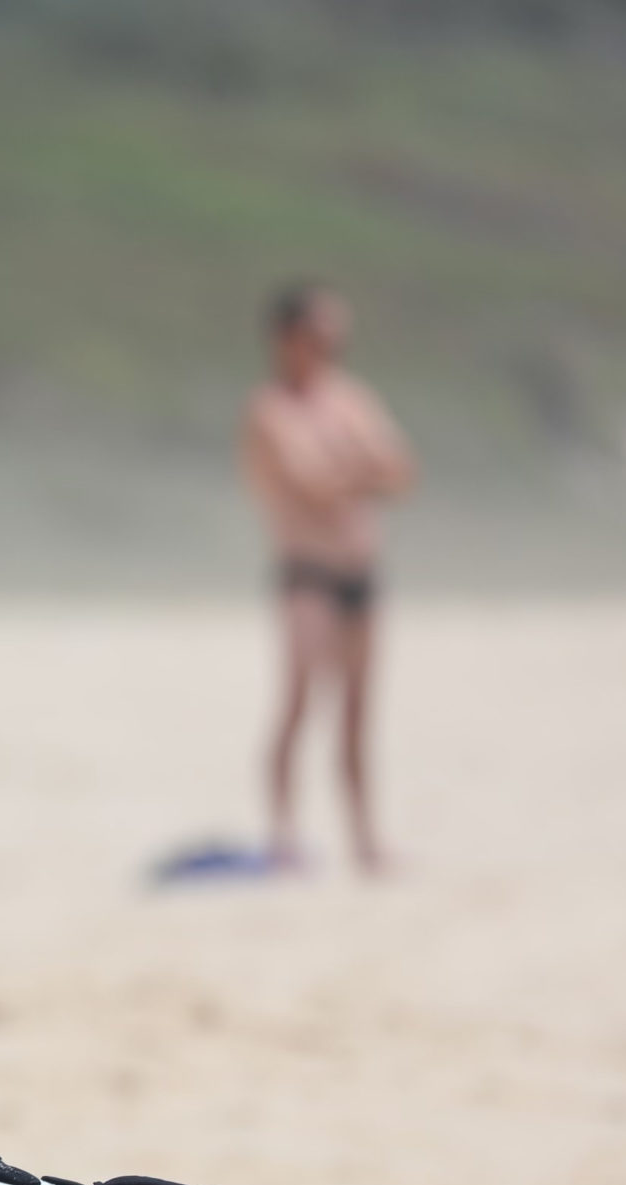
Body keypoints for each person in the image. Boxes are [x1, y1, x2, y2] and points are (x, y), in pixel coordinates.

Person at [242, 281, 415, 874]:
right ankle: (283, 835)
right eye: (320, 335)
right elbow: (308, 486)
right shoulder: (270, 409)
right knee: (298, 703)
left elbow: (401, 472)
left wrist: (351, 474)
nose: (331, 346)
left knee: (359, 712)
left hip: (360, 571)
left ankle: (364, 839)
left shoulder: (351, 399)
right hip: (307, 573)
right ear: (288, 338)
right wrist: (361, 471)